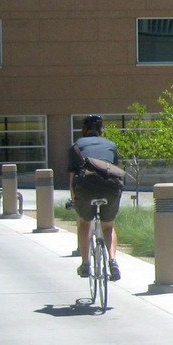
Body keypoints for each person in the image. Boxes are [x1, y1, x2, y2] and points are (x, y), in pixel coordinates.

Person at [68, 114, 122, 280]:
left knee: (84, 222)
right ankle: (113, 260)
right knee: (108, 226)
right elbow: (115, 171)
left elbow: (72, 179)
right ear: (101, 131)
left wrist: (74, 199)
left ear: (83, 130)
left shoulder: (76, 146)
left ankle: (85, 264)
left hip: (86, 187)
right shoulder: (111, 145)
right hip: (111, 188)